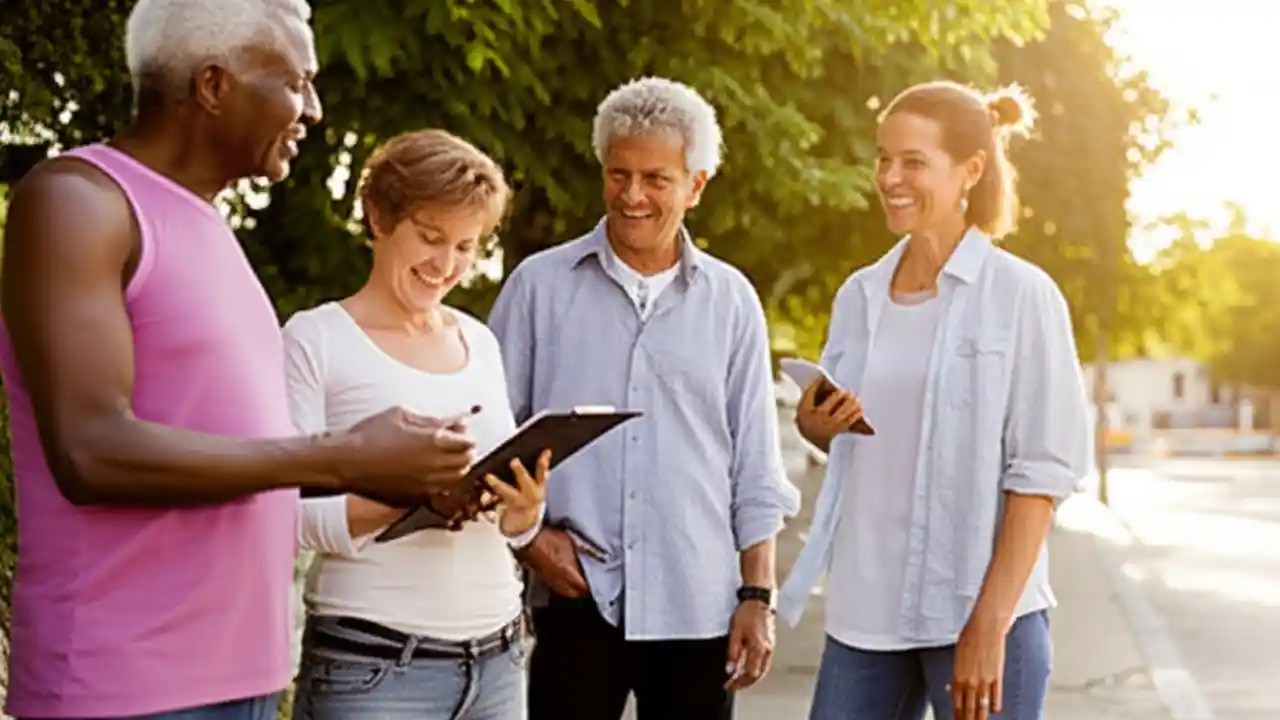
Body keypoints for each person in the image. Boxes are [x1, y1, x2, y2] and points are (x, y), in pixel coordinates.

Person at [0, 2, 477, 718]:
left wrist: (401, 475)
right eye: (296, 82)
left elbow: (246, 455)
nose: (312, 110)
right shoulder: (77, 200)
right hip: (123, 686)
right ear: (214, 85)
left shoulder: (209, 227)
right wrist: (345, 456)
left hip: (244, 680)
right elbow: (89, 451)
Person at [776, 80, 1092, 720]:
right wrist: (817, 425)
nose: (890, 177)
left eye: (913, 162)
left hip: (976, 611)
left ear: (970, 170)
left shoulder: (1021, 296)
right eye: (884, 158)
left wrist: (989, 625)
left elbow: (1041, 474)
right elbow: (843, 432)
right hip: (866, 613)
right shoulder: (859, 295)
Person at [488, 76, 801, 720]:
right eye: (618, 174)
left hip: (699, 604)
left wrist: (757, 595)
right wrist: (531, 542)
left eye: (656, 178)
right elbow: (491, 438)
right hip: (575, 600)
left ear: (697, 184)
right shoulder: (537, 289)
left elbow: (755, 469)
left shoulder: (732, 300)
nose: (633, 195)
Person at [285, 129, 548, 720]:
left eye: (466, 246)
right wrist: (413, 497)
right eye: (431, 239)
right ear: (378, 215)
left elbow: (511, 523)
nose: (446, 265)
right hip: (375, 666)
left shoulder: (478, 341)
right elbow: (286, 513)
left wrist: (523, 511)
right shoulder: (316, 341)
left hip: (498, 659)